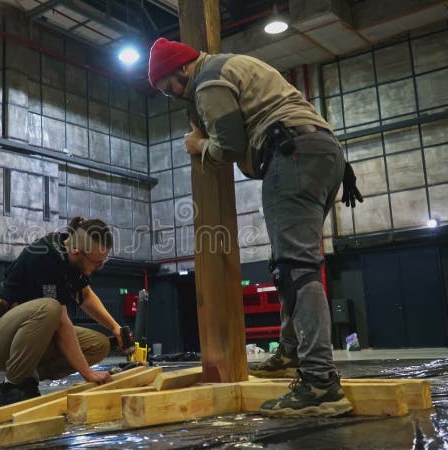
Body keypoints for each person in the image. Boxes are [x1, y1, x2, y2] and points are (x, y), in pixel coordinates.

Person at [147, 38, 363, 417]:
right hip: (322, 154)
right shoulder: (231, 67)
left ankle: (320, 384)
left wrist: (198, 147)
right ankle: (292, 352)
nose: (174, 96)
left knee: (296, 268)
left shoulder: (209, 80)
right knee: (291, 264)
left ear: (181, 69)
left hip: (292, 154)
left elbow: (228, 145)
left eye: (170, 88)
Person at [0, 217, 125, 406]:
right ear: (77, 252)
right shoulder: (45, 258)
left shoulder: (71, 257)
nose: (99, 268)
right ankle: (12, 386)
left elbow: (85, 296)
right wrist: (87, 373)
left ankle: (29, 378)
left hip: (23, 340)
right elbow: (62, 324)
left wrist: (115, 327)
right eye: (97, 263)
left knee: (99, 345)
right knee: (50, 308)